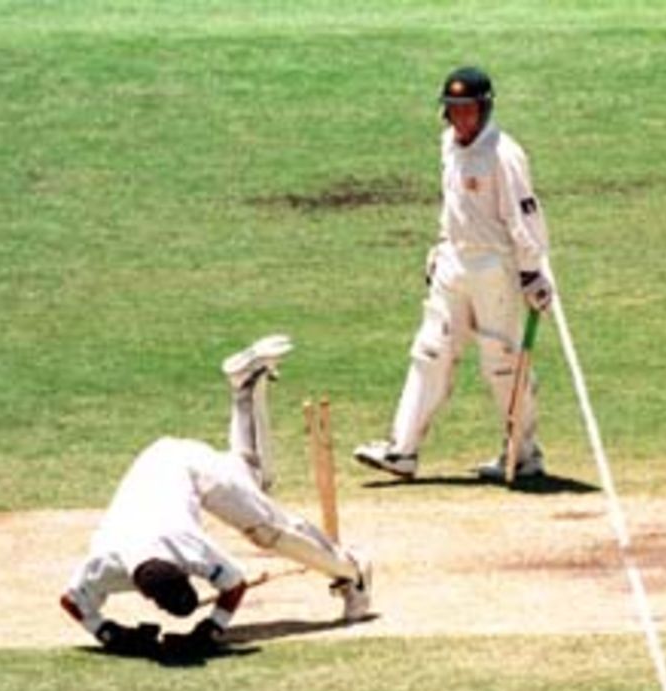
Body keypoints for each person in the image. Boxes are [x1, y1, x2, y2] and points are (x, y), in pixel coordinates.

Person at [59, 335, 373, 657]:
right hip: (153, 466)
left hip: (186, 466)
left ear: (182, 569)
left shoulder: (186, 546)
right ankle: (246, 384)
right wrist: (110, 634)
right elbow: (71, 601)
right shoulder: (106, 561)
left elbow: (234, 584)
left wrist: (211, 629)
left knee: (265, 527)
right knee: (249, 480)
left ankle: (354, 571)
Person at [354, 66, 555, 482]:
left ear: (484, 108)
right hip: (453, 263)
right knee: (431, 351)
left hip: (494, 267)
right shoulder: (448, 144)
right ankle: (402, 451)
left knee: (501, 362)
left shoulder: (504, 154)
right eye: (454, 109)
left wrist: (532, 272)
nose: (461, 118)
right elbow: (454, 203)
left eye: (468, 109)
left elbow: (524, 216)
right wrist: (441, 245)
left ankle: (523, 455)